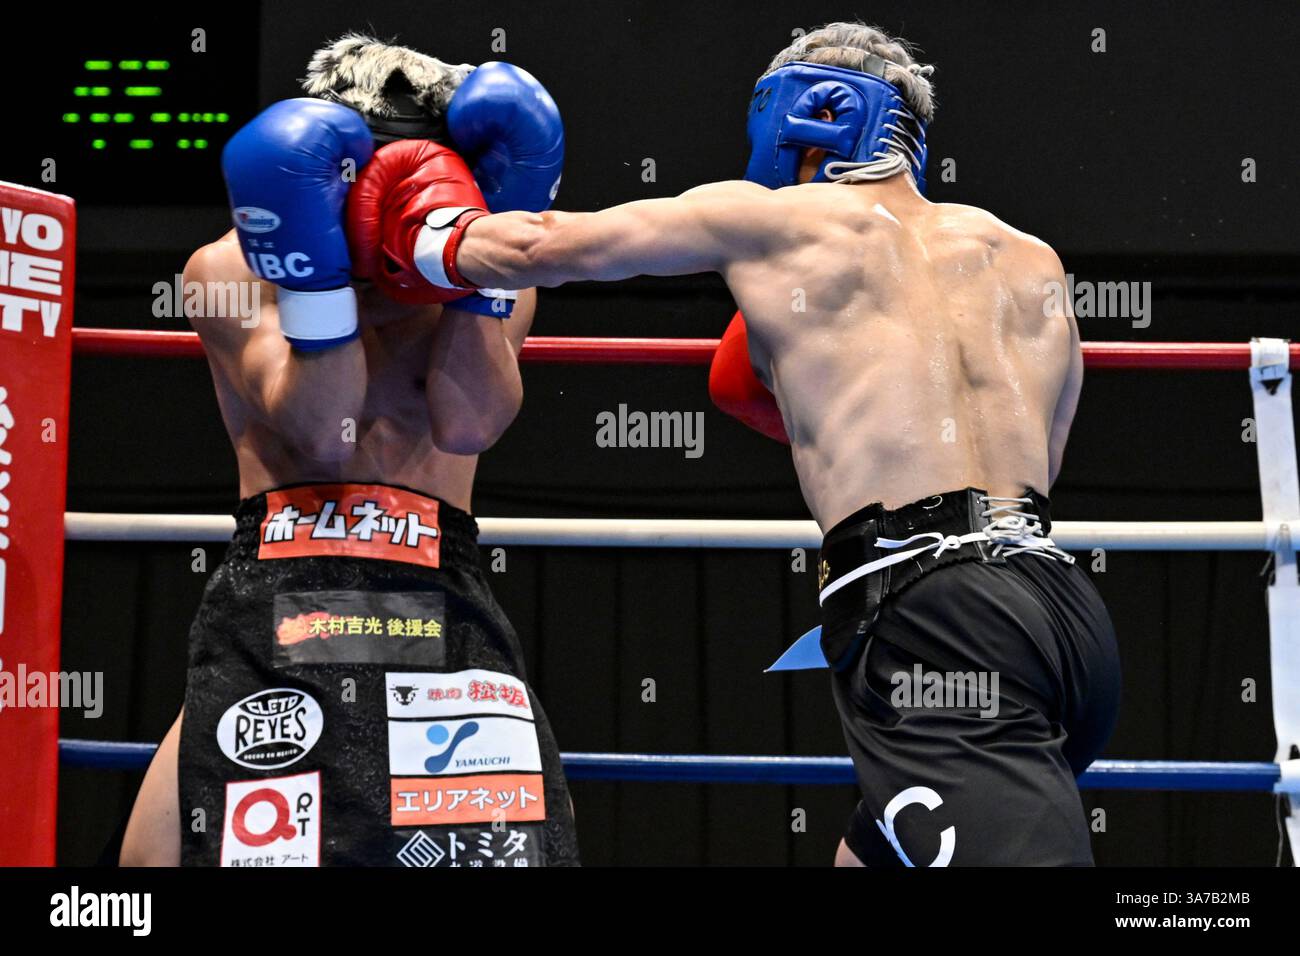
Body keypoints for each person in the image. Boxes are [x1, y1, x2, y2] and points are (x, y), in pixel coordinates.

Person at [345, 22, 1122, 866]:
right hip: (1063, 616)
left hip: (939, 622)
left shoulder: (766, 221)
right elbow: (1043, 455)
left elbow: (537, 248)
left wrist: (420, 230)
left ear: (814, 113)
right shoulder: (1030, 258)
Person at [117, 34, 578, 867]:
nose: (391, 194)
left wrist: (474, 271)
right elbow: (321, 433)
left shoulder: (485, 268)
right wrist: (313, 273)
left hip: (439, 592)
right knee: (165, 859)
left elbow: (469, 423)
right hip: (280, 591)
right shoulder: (230, 267)